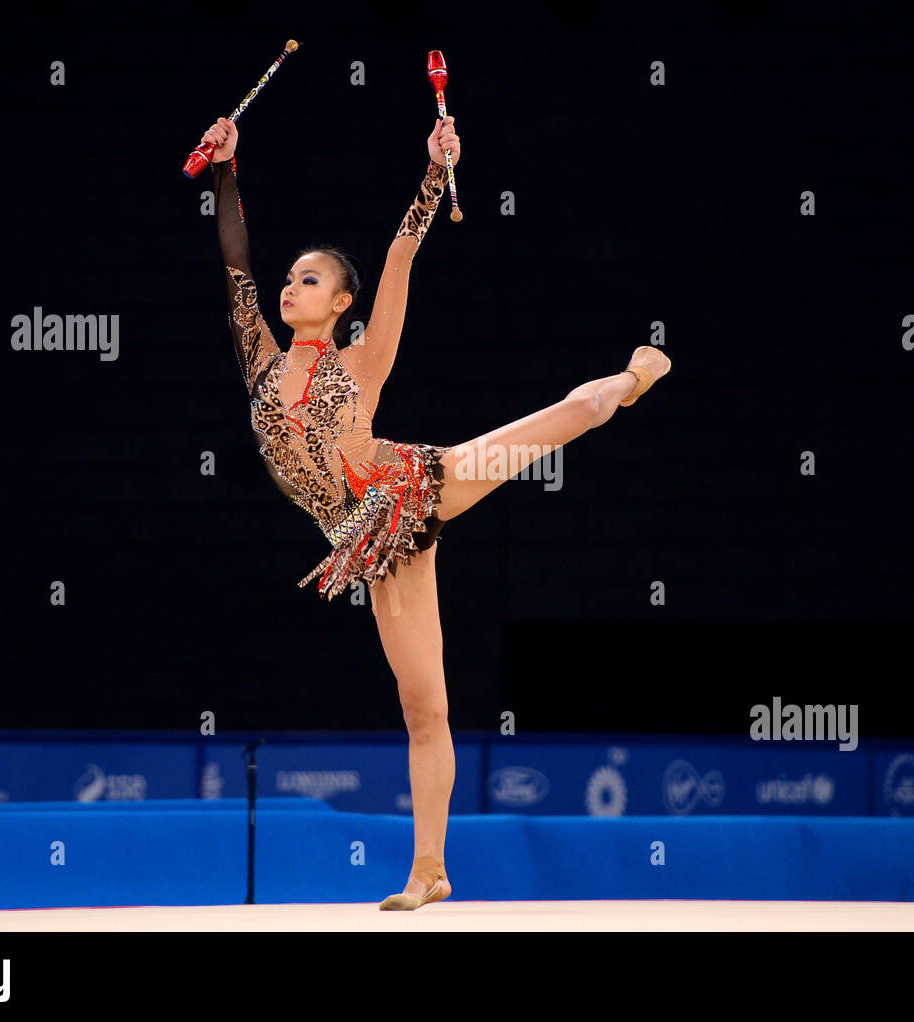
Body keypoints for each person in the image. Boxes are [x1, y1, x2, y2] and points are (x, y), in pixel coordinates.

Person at [199, 112, 670, 909]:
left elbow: (402, 252)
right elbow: (237, 262)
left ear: (341, 301)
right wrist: (225, 169)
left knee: (549, 426)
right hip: (366, 542)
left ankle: (626, 384)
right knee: (425, 707)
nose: (289, 286)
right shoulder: (260, 360)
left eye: (308, 279)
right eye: (291, 278)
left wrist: (432, 173)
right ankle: (430, 873)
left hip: (411, 489)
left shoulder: (365, 354)